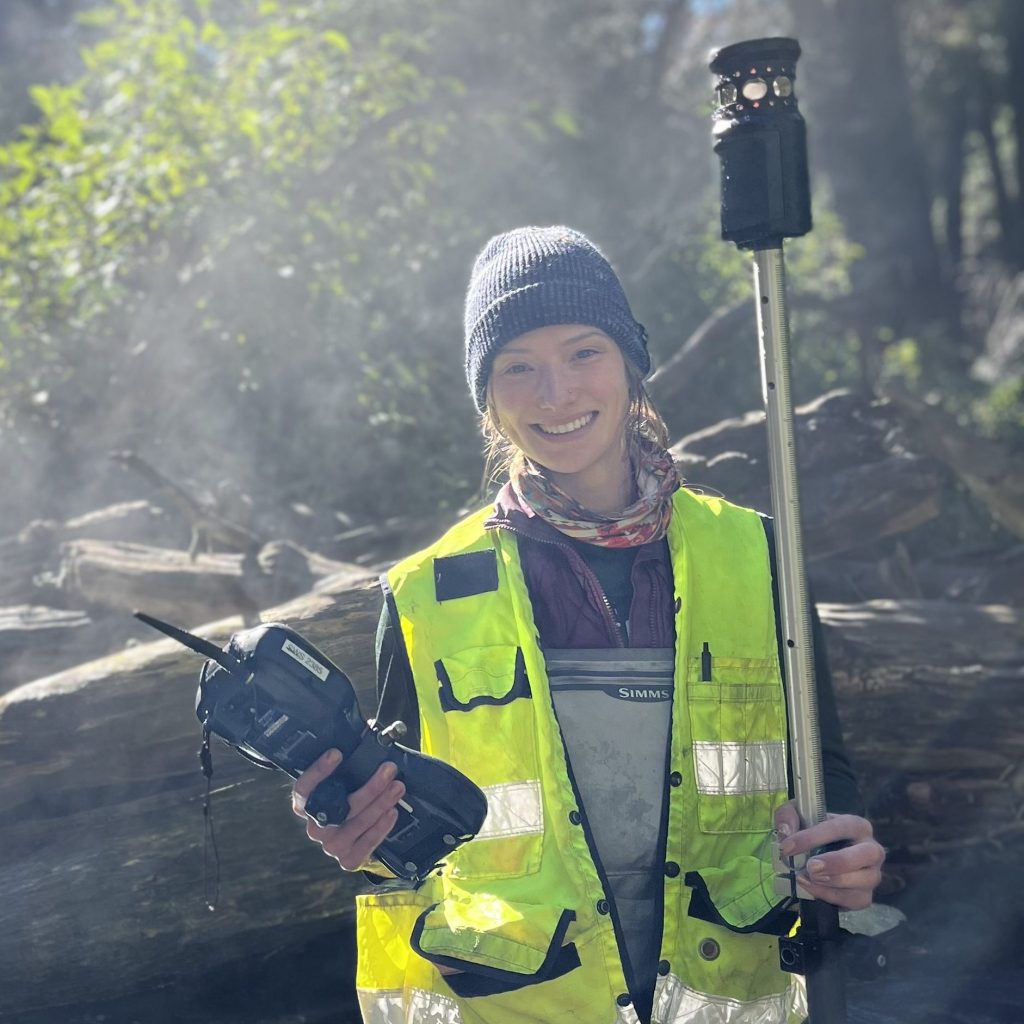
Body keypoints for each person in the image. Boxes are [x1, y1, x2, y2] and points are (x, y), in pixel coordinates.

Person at [292, 226, 885, 1024]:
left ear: (631, 366)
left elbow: (827, 777)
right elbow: (397, 838)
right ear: (489, 396)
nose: (556, 394)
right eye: (518, 367)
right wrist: (345, 826)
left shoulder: (758, 553)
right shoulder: (421, 595)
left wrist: (844, 857)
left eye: (582, 353)